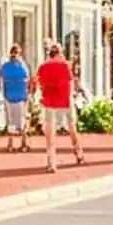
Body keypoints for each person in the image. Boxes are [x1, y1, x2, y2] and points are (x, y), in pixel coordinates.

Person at [34, 41, 85, 173]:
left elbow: (39, 84)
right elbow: (70, 82)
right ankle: (78, 152)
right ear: (60, 53)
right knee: (72, 128)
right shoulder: (65, 66)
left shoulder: (42, 67)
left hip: (49, 101)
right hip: (65, 100)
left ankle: (52, 162)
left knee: (50, 134)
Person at [0, 44, 31, 153]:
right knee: (18, 121)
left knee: (15, 121)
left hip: (15, 96)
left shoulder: (10, 66)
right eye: (14, 53)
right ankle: (18, 143)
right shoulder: (20, 66)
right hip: (16, 97)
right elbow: (28, 81)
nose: (15, 55)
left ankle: (16, 144)